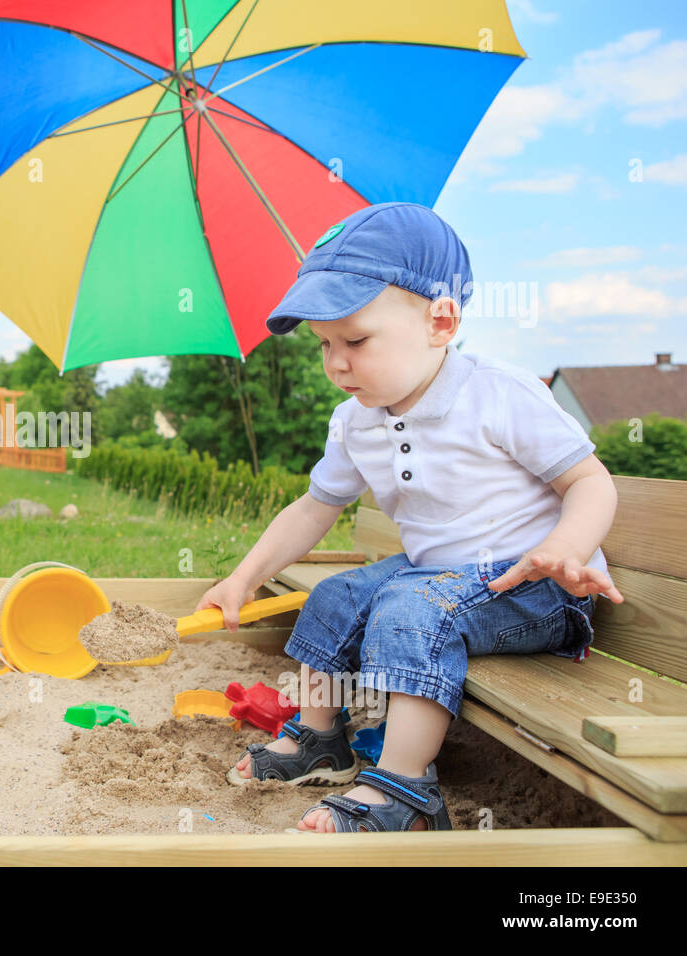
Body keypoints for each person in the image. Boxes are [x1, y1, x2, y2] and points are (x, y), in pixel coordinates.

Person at [195, 202, 623, 833]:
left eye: (356, 341)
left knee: (411, 611)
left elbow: (590, 481)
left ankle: (405, 788)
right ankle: (320, 738)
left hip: (535, 589)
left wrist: (565, 547)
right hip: (440, 576)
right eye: (324, 345)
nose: (336, 364)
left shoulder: (497, 394)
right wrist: (244, 575)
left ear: (439, 321)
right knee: (336, 595)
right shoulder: (356, 418)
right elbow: (315, 506)